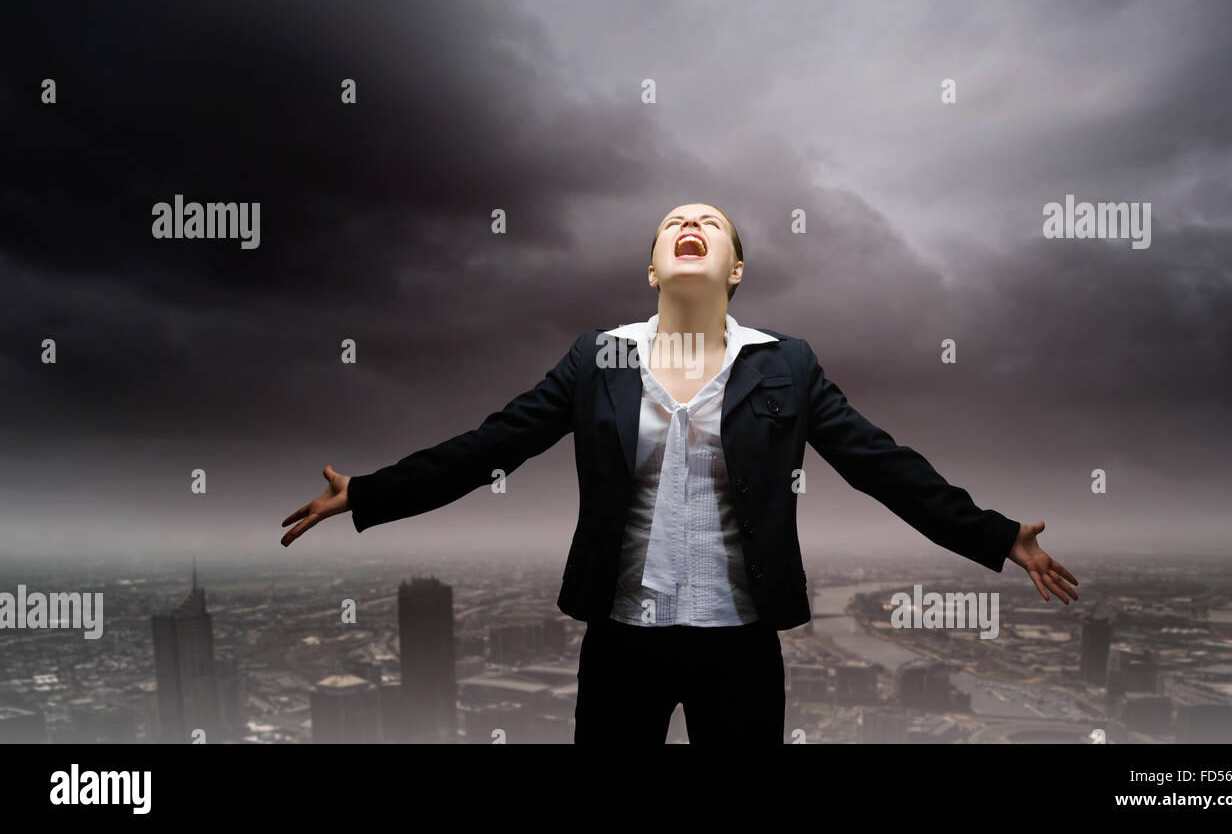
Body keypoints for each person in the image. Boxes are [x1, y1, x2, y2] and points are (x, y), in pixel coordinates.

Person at [280, 202, 1079, 744]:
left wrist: (1000, 536)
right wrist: (369, 492)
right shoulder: (597, 358)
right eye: (674, 224)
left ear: (736, 270)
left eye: (711, 223)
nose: (691, 224)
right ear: (654, 270)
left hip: (741, 641)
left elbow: (881, 464)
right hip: (622, 639)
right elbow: (493, 442)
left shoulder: (787, 365)